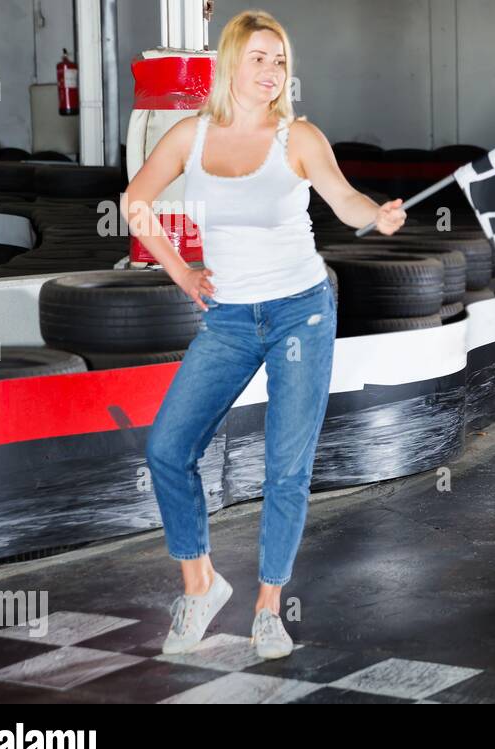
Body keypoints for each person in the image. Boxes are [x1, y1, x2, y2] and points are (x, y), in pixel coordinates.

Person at [125, 10, 406, 659]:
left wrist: (376, 215)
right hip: (228, 315)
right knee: (167, 447)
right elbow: (136, 200)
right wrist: (182, 272)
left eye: (279, 61)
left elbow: (344, 201)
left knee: (285, 466)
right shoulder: (190, 136)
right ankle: (201, 585)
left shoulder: (297, 136)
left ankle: (269, 606)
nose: (272, 72)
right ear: (230, 64)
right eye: (258, 58)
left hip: (300, 312)